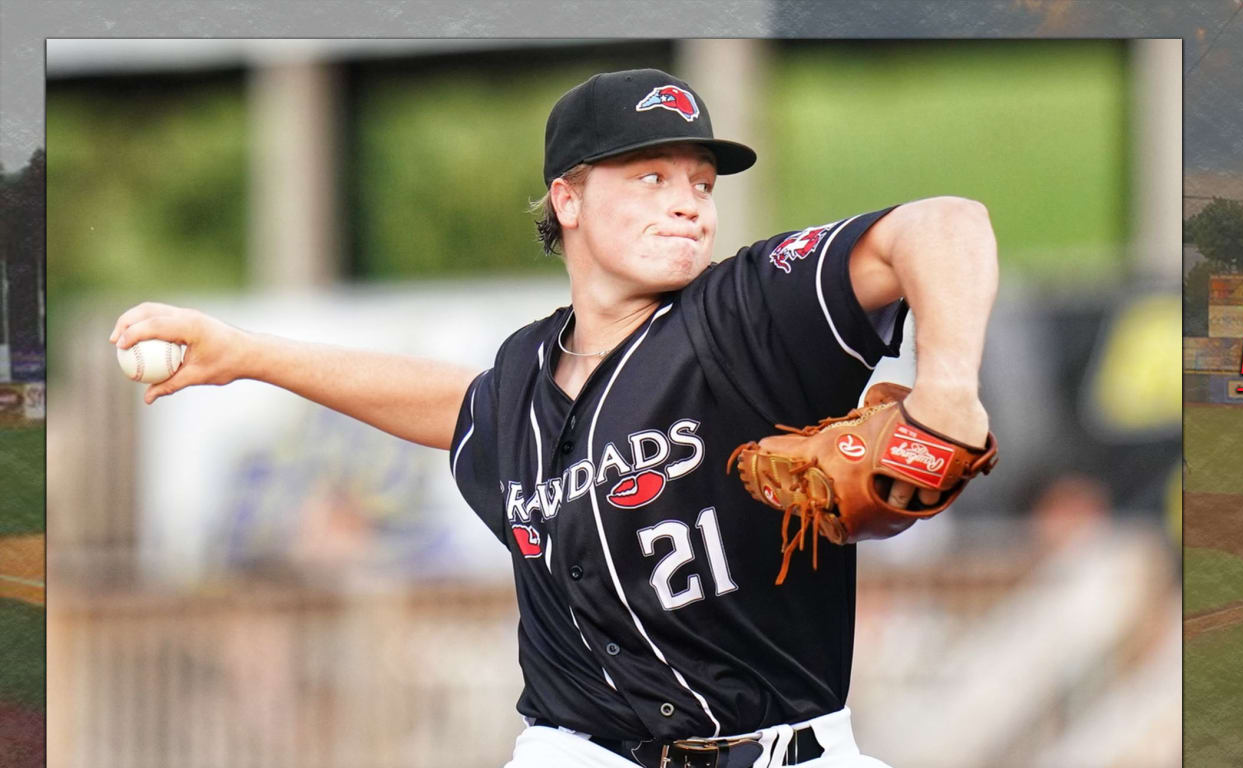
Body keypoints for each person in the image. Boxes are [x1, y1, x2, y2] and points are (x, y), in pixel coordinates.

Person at [110, 68, 997, 768]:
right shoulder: (521, 381)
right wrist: (246, 353)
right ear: (566, 199)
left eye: (698, 180)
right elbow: (457, 408)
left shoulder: (751, 313)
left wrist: (947, 386)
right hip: (579, 751)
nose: (688, 200)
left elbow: (947, 224)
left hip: (792, 751)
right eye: (649, 176)